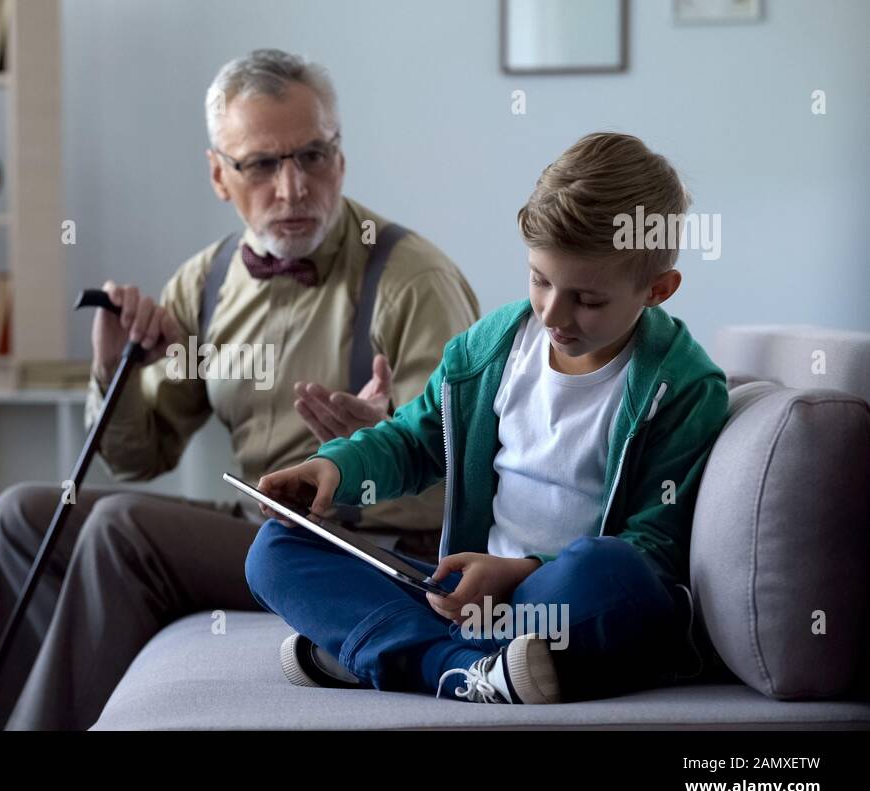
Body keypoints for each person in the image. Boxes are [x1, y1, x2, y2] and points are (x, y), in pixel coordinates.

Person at [0, 49, 479, 729]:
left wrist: (379, 450)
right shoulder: (207, 281)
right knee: (20, 515)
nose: (292, 188)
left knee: (123, 529)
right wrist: (114, 369)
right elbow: (139, 457)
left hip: (379, 552)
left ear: (341, 158)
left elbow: (471, 479)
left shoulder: (411, 280)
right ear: (220, 174)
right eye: (261, 165)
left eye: (312, 156)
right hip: (262, 527)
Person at [247, 132, 728, 704]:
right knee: (276, 548)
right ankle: (458, 665)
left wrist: (516, 574)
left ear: (658, 289)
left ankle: (391, 652)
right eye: (540, 280)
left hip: (553, 600)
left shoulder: (685, 388)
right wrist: (334, 468)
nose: (552, 313)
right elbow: (414, 441)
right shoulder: (491, 350)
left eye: (587, 299)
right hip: (462, 602)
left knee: (610, 573)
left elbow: (655, 547)